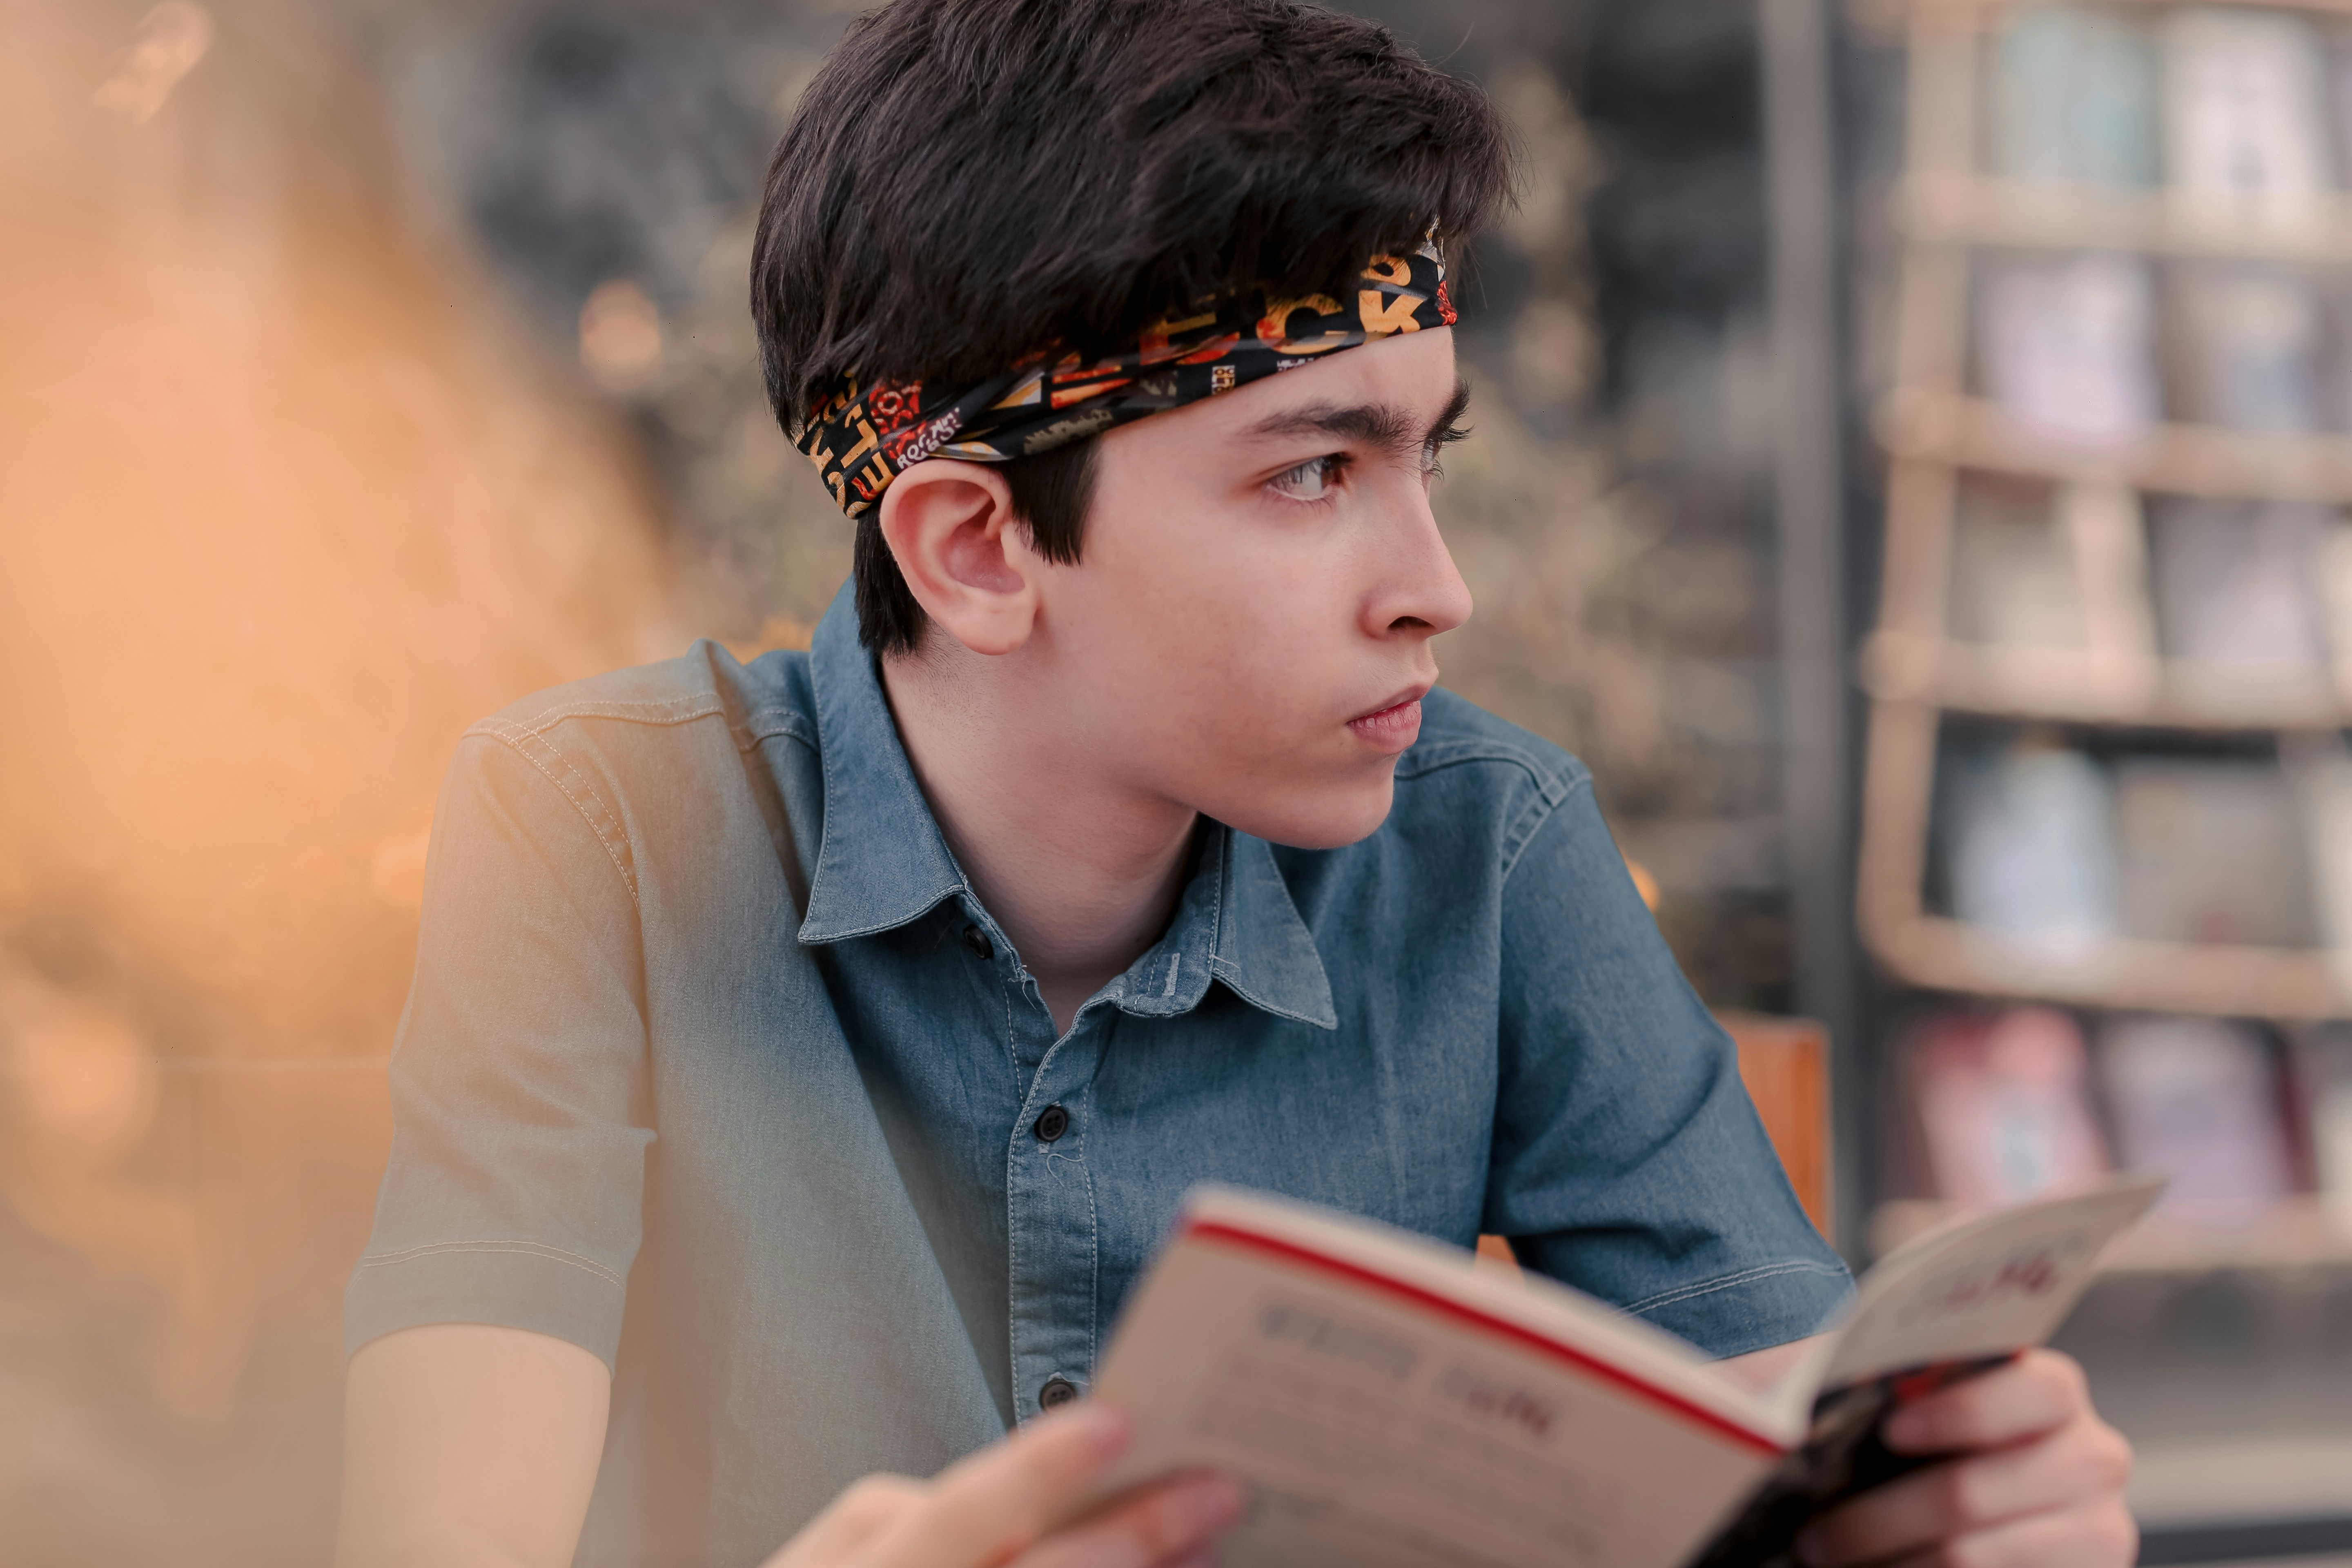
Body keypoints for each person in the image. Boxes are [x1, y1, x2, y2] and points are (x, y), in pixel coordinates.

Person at [334, 2, 2137, 1565]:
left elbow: (1776, 1434)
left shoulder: (1490, 844)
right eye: (1312, 473)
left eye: (1428, 458)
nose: (1438, 586)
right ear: (975, 548)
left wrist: (1947, 1514)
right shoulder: (601, 831)